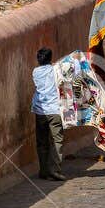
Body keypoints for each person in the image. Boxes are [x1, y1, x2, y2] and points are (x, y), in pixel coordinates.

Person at [31, 47, 66, 182]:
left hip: (40, 110)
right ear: (50, 58)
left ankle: (44, 170)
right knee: (57, 140)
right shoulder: (56, 70)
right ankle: (55, 169)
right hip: (55, 110)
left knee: (42, 141)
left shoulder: (35, 72)